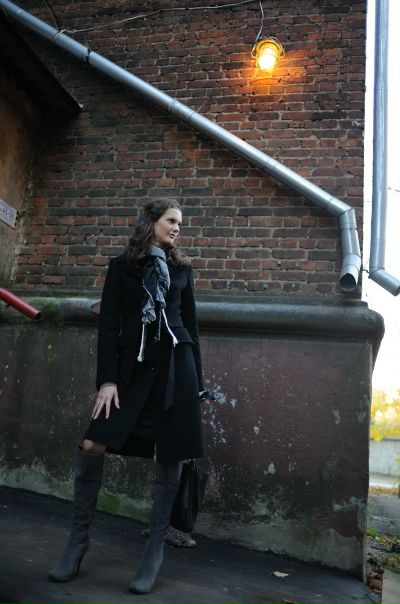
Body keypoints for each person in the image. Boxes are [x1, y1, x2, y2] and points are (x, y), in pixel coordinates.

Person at [49, 198, 205, 594]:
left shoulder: (182, 269)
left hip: (175, 372)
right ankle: (77, 543)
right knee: (93, 442)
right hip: (131, 374)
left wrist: (197, 386)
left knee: (169, 456)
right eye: (171, 221)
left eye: (180, 223)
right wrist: (107, 381)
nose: (177, 228)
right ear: (151, 221)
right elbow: (109, 327)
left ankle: (154, 551)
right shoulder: (122, 267)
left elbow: (190, 327)